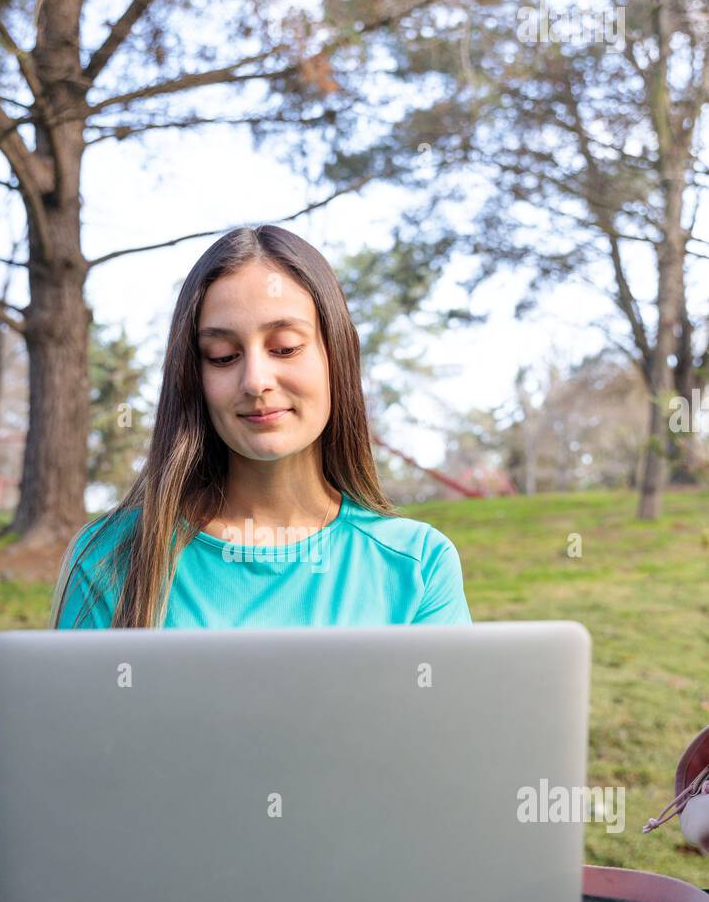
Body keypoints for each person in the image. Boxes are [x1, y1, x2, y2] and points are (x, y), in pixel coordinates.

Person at [50, 224, 472, 631]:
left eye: (285, 348)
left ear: (336, 357)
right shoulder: (111, 558)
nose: (255, 381)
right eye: (222, 355)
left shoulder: (417, 565)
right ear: (194, 377)